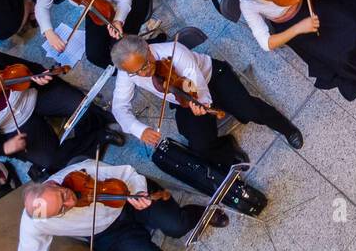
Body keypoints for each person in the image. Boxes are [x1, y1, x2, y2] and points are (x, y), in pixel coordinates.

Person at [112, 33, 303, 168]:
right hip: (182, 96)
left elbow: (197, 83)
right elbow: (119, 107)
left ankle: (286, 128)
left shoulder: (174, 51)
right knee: (199, 146)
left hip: (212, 79)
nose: (144, 73)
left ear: (146, 47)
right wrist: (140, 129)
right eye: (136, 72)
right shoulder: (128, 73)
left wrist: (201, 104)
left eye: (144, 65)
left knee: (249, 110)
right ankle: (228, 149)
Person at [0, 49, 123, 176]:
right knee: (51, 162)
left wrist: (38, 76)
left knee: (81, 104)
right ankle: (99, 136)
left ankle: (94, 127)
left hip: (33, 95)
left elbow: (22, 66)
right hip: (16, 127)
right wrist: (3, 149)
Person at [18, 158, 227, 251]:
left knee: (176, 226)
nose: (70, 202)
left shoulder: (78, 171)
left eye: (64, 196)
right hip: (106, 234)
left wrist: (137, 192)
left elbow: (128, 173)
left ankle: (199, 213)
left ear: (51, 184)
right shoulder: (35, 221)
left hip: (128, 198)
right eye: (62, 210)